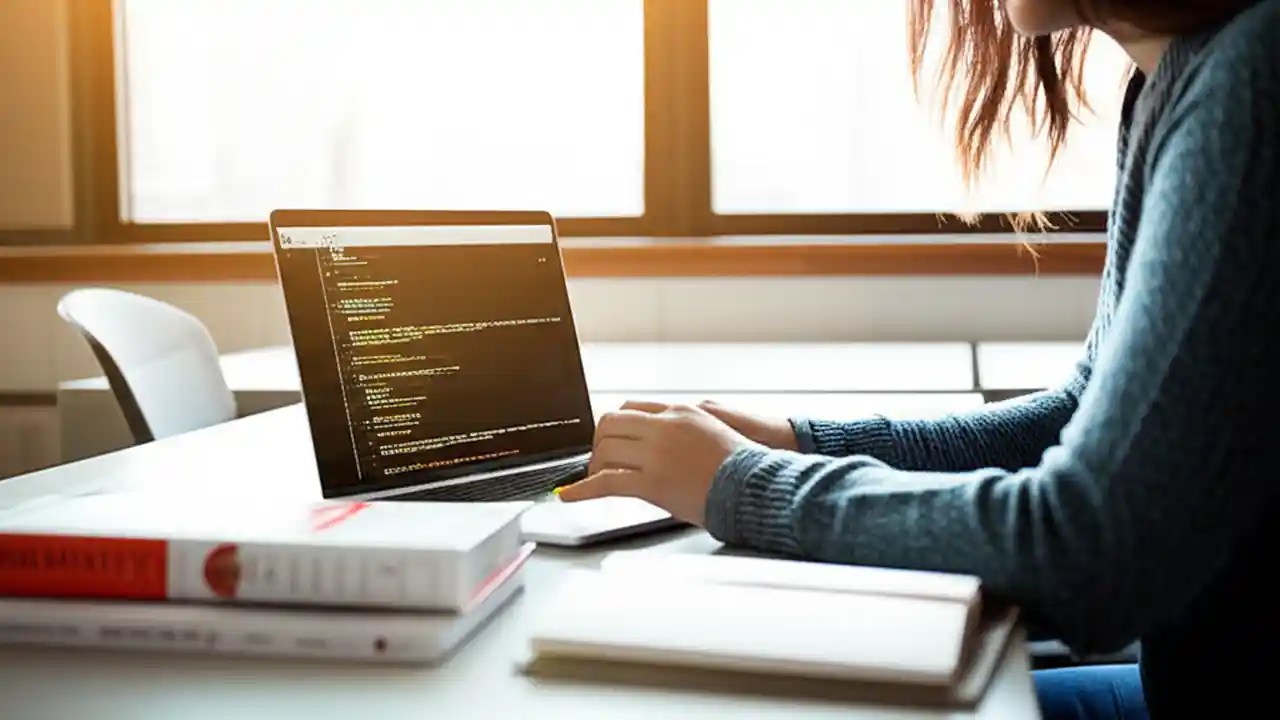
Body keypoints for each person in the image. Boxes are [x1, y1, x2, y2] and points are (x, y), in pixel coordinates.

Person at [558, 1, 1280, 717]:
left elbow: (1091, 550)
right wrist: (801, 441)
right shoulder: (1181, 77)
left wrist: (740, 484)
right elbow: (1081, 416)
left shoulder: (1249, 81)